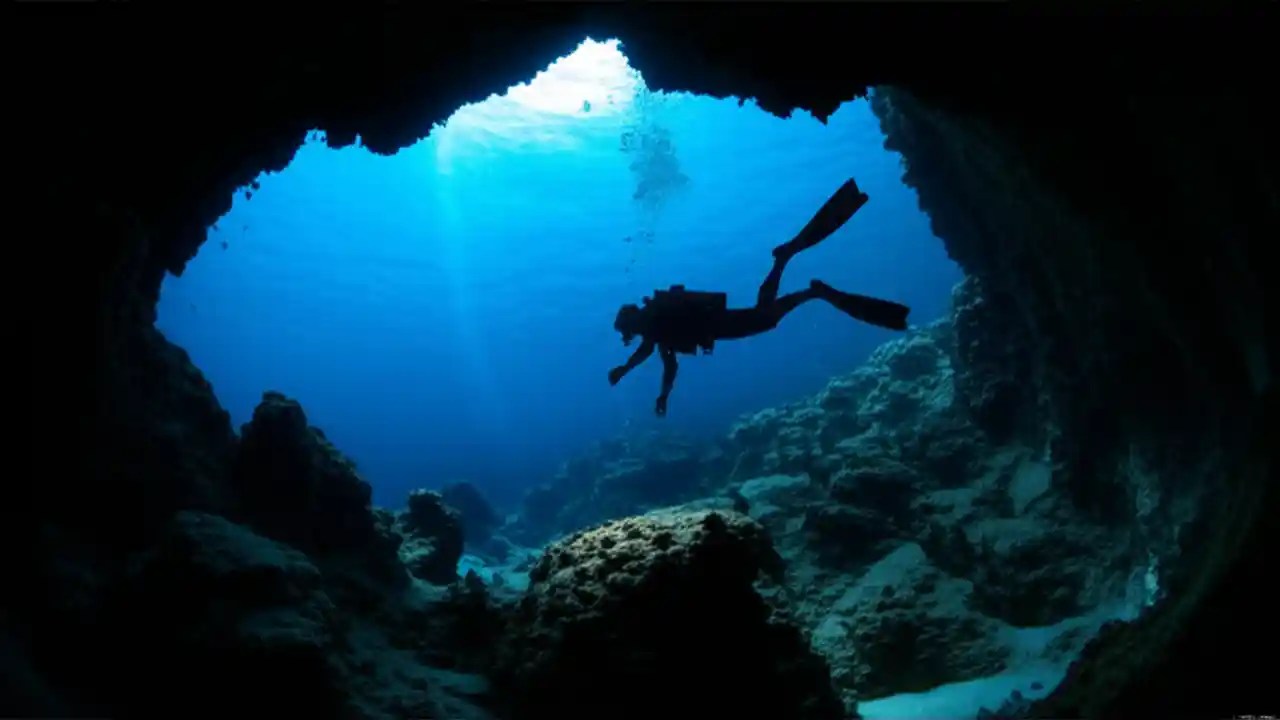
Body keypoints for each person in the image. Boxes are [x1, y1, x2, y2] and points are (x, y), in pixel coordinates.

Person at [608, 177, 911, 417]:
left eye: (627, 330)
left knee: (764, 318)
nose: (629, 335)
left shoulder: (654, 328)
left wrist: (648, 385)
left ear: (631, 324)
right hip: (719, 323)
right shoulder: (655, 326)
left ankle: (793, 271)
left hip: (720, 325)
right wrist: (643, 382)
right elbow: (656, 359)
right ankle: (802, 280)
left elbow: (654, 358)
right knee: (764, 315)